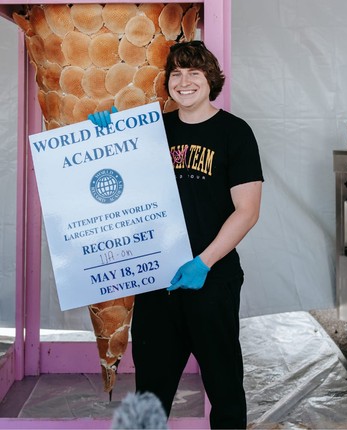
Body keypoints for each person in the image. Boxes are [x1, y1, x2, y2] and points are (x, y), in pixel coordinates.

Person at [90, 40, 263, 429]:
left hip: (211, 278)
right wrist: (104, 137)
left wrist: (204, 261)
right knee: (151, 389)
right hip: (158, 280)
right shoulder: (152, 129)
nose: (184, 82)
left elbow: (247, 210)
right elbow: (115, 183)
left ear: (211, 80)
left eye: (194, 74)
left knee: (223, 383)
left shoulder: (234, 133)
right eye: (177, 74)